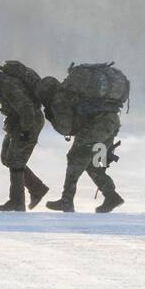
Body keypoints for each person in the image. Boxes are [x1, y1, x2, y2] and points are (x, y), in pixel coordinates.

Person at [0, 55, 50, 211]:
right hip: (17, 122)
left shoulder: (6, 84)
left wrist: (25, 130)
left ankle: (17, 202)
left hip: (29, 121)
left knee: (15, 161)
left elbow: (26, 108)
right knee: (6, 158)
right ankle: (37, 189)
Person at [36, 71, 125, 213]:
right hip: (111, 123)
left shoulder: (58, 100)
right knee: (94, 164)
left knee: (75, 158)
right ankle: (111, 196)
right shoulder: (69, 91)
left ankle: (66, 201)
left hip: (95, 128)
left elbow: (64, 128)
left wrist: (50, 115)